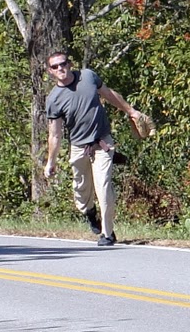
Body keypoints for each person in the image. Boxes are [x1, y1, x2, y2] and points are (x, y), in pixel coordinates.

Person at [42, 50, 146, 246]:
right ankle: (89, 212)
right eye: (55, 66)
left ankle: (107, 234)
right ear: (50, 71)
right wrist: (51, 162)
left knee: (104, 186)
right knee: (81, 189)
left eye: (63, 63)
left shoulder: (88, 76)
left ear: (69, 64)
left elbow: (108, 94)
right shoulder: (54, 99)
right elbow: (55, 134)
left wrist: (131, 111)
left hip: (102, 143)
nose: (60, 68)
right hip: (78, 146)